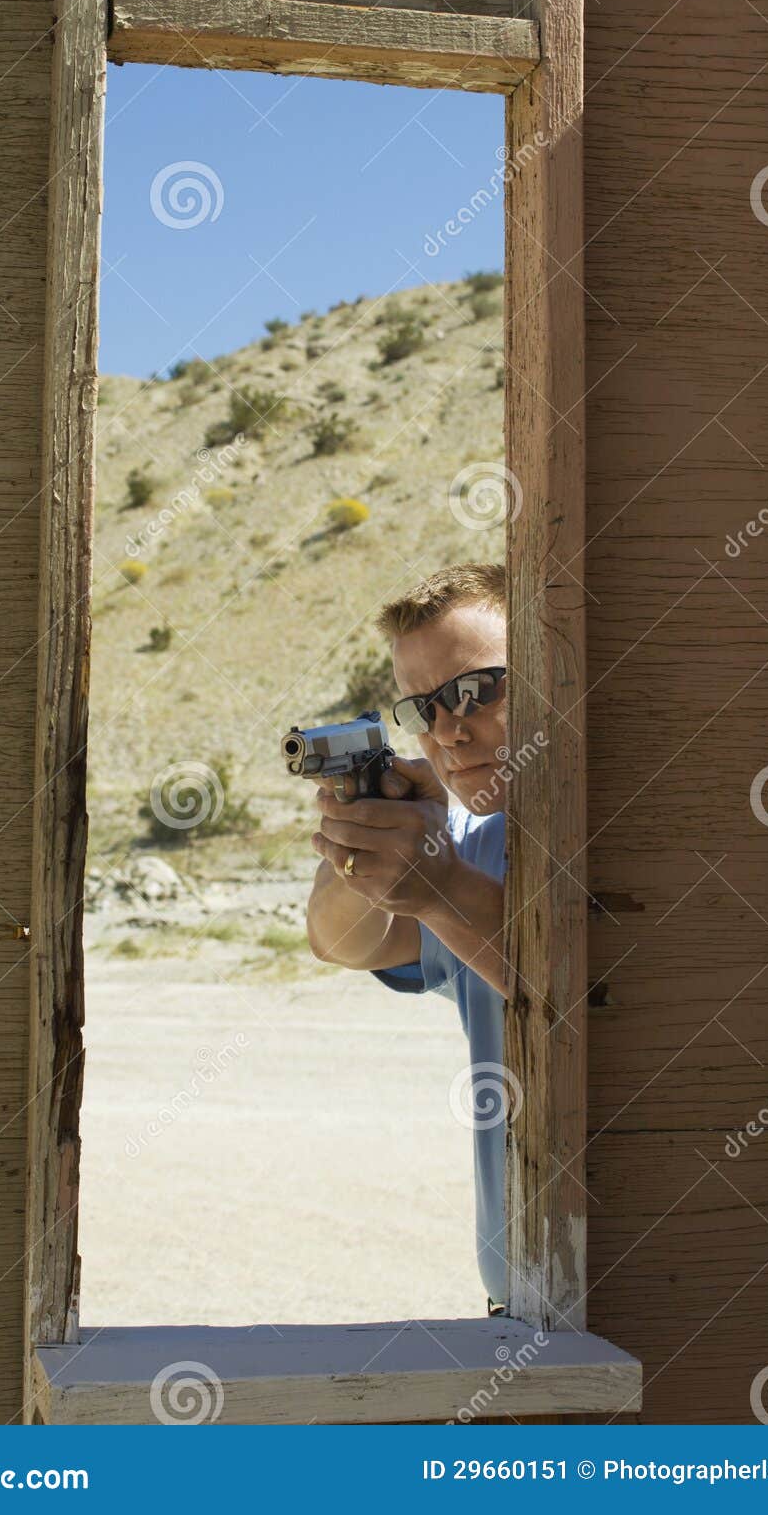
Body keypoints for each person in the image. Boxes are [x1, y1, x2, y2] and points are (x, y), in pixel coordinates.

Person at [306, 561, 513, 1312]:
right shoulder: (470, 844)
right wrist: (359, 835)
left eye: (476, 691)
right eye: (423, 709)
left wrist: (438, 888)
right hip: (521, 1306)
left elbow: (586, 995)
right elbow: (341, 943)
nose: (449, 731)